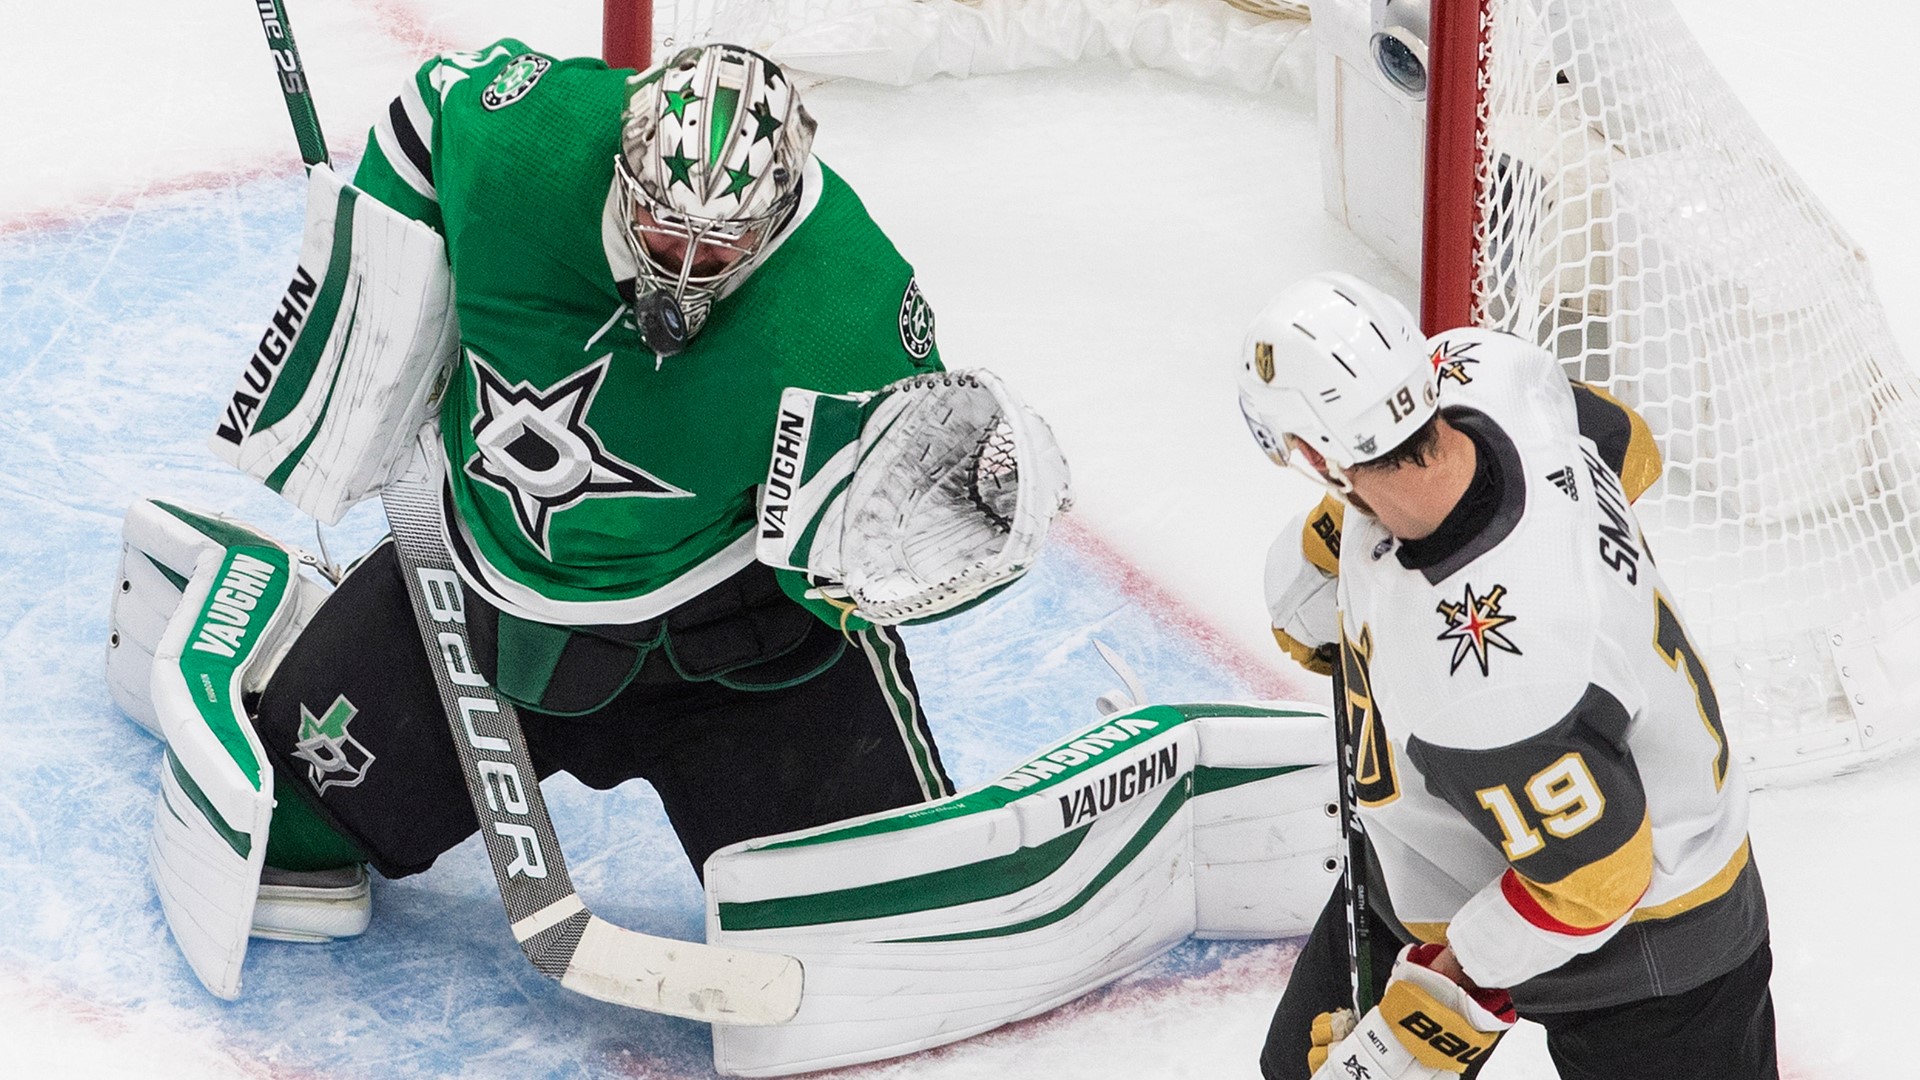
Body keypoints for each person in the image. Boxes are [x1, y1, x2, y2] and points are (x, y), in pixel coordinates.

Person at [107, 39, 1067, 991]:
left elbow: (874, 548)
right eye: (662, 233)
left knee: (885, 935)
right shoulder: (532, 139)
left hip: (732, 655)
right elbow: (424, 111)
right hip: (473, 608)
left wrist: (956, 512)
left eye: (721, 245)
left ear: (779, 213)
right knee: (292, 834)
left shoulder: (847, 306)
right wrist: (378, 306)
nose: (684, 270)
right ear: (620, 169)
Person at [1237, 272, 1775, 1080]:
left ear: (1318, 454)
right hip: (1439, 854)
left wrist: (1435, 1009)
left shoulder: (1486, 688)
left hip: (1653, 951)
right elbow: (1626, 443)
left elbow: (1596, 881)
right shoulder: (1484, 368)